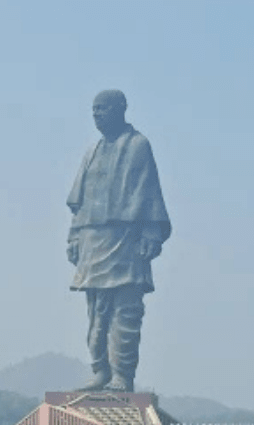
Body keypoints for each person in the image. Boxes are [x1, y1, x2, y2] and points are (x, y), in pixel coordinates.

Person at [65, 89, 171, 392]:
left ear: (120, 109)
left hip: (125, 239)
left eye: (103, 109)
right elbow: (79, 202)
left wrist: (150, 233)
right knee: (96, 310)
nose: (96, 114)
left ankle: (122, 375)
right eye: (93, 109)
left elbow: (148, 192)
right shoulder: (92, 151)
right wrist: (74, 237)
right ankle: (100, 370)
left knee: (125, 310)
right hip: (92, 238)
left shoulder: (138, 145)